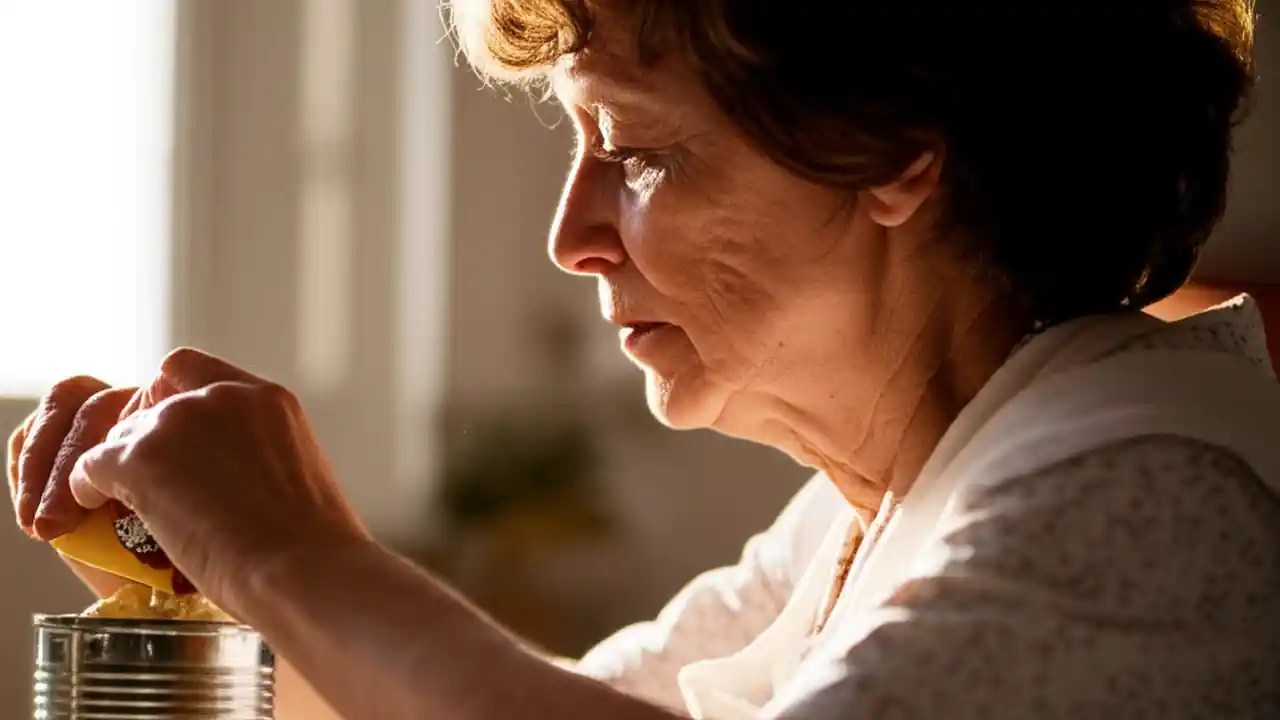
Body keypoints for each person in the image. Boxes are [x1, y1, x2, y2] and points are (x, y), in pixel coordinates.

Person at [8, 0, 1278, 717]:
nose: (569, 238)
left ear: (896, 150)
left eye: (639, 152)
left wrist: (289, 551)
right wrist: (209, 586)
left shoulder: (1140, 497)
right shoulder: (880, 506)